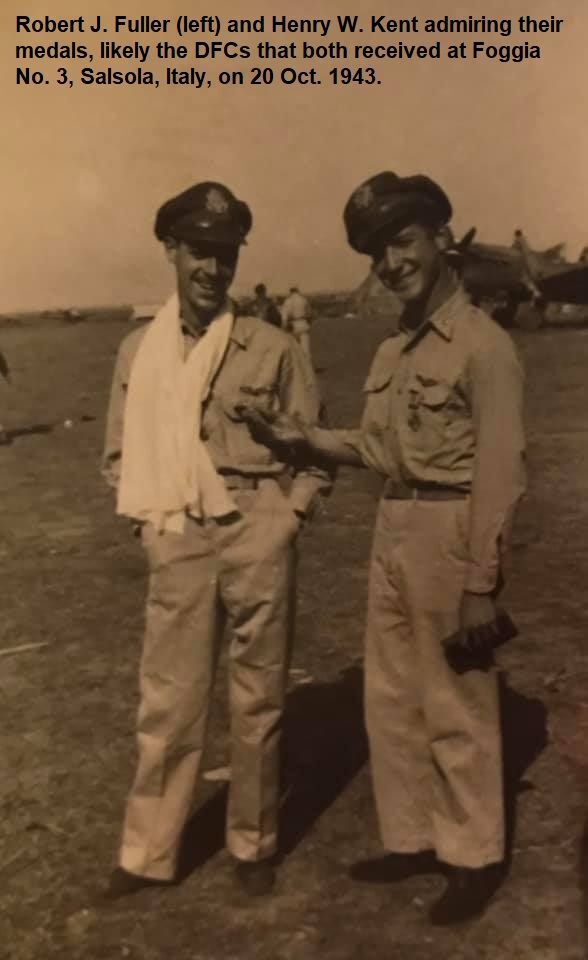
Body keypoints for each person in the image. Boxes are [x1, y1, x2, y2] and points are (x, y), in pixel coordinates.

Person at [240, 171, 526, 925]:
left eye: (403, 241)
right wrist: (298, 437)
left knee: (457, 700)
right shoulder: (397, 347)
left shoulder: (483, 345)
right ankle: (414, 837)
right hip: (394, 523)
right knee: (394, 695)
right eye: (377, 251)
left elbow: (501, 472)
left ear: (440, 238)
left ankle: (473, 854)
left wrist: (479, 579)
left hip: (451, 530)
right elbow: (377, 447)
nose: (392, 261)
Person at [101, 181, 329, 899]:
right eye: (199, 252)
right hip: (178, 532)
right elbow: (116, 456)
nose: (212, 269)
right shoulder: (140, 350)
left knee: (257, 697)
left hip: (256, 524)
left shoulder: (275, 345)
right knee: (168, 700)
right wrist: (151, 529)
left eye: (225, 255)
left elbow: (316, 448)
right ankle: (148, 853)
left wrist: (288, 517)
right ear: (171, 250)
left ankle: (252, 844)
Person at [281, 286, 313, 361]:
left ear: (290, 291)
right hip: (303, 323)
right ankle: (308, 367)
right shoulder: (303, 299)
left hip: (293, 325)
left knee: (294, 349)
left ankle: (298, 368)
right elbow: (310, 313)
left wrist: (284, 327)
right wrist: (309, 323)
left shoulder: (288, 301)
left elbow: (284, 317)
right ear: (297, 290)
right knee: (305, 349)